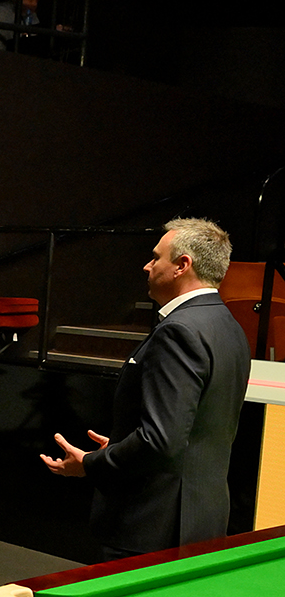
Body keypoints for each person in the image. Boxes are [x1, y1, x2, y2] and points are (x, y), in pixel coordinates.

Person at [41, 218, 250, 559]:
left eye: (156, 257)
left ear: (182, 265)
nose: (147, 265)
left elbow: (161, 440)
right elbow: (193, 427)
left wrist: (94, 461)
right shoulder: (229, 326)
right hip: (202, 517)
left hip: (153, 523)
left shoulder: (178, 331)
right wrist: (124, 445)